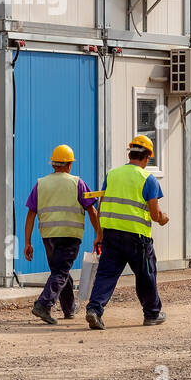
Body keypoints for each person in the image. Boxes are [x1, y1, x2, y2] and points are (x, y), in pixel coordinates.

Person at [85, 135, 169, 329]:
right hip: (137, 238)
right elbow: (155, 214)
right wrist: (164, 218)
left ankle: (94, 310)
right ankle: (152, 314)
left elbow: (102, 205)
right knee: (146, 275)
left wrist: (99, 234)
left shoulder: (112, 175)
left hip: (111, 235)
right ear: (147, 157)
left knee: (106, 275)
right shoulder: (148, 179)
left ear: (130, 154)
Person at [23, 144, 101, 325]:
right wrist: (99, 234)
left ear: (53, 164)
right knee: (61, 271)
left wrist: (27, 242)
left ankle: (69, 308)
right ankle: (43, 304)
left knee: (59, 270)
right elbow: (92, 211)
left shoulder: (40, 184)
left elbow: (31, 214)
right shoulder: (77, 183)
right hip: (70, 235)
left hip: (48, 236)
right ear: (69, 164)